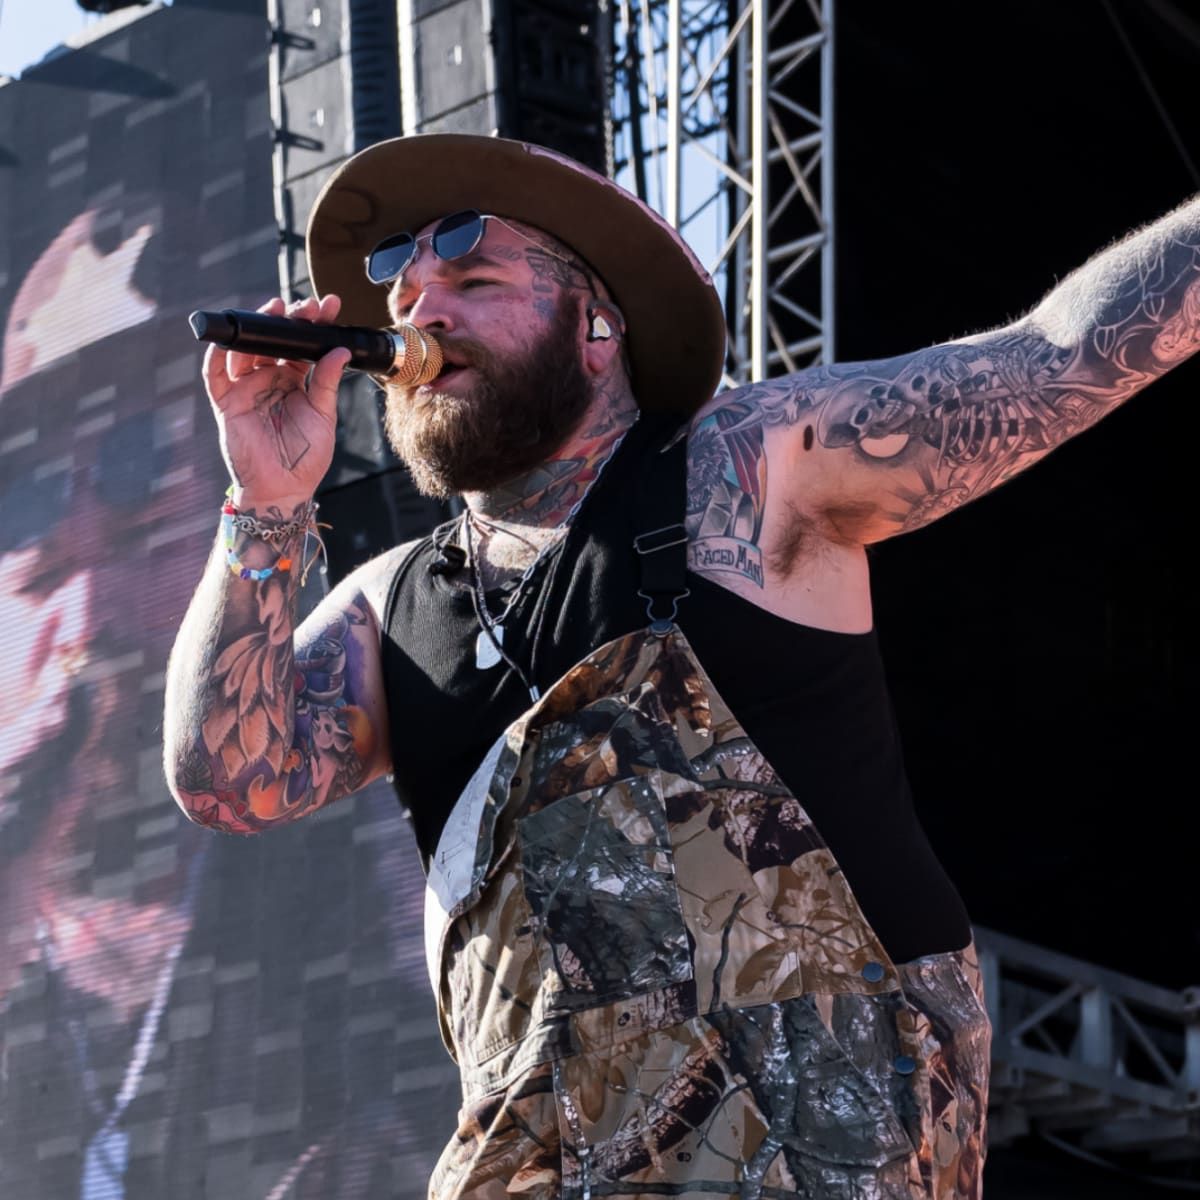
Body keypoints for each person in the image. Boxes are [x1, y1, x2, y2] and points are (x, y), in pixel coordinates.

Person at [162, 133, 1196, 1199]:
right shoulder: (388, 608)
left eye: (473, 281)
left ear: (597, 327)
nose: (424, 313)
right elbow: (223, 782)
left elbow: (1060, 355)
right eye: (410, 293)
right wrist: (269, 506)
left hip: (819, 1154)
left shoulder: (747, 470)